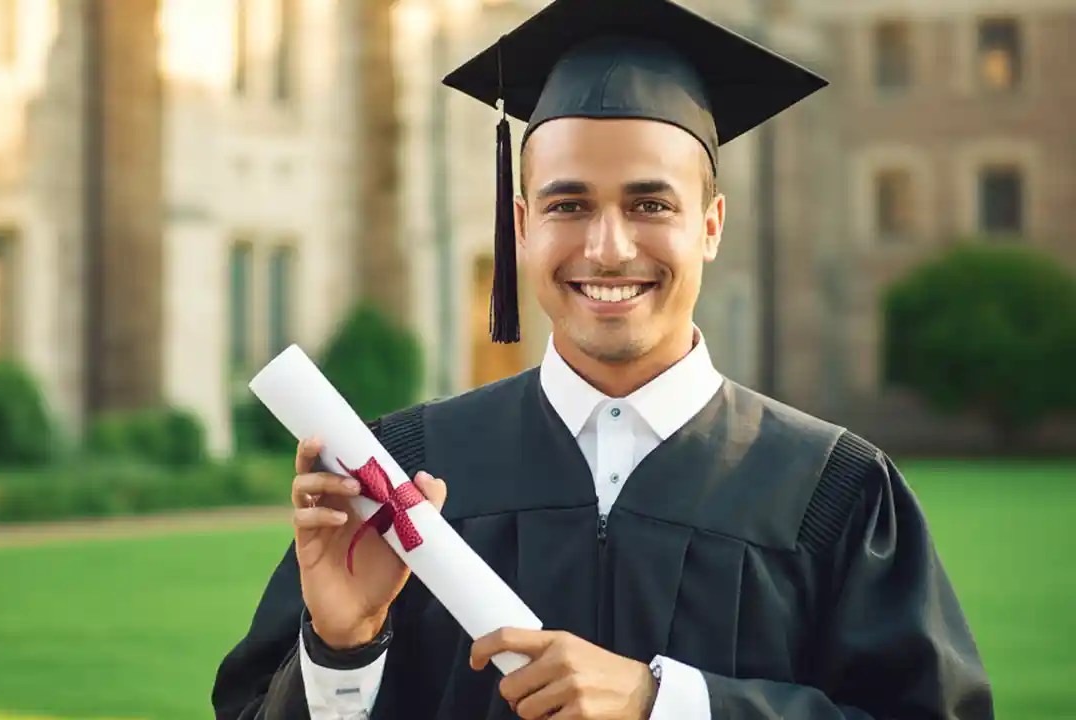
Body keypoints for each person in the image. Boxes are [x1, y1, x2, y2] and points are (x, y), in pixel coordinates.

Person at [212, 0, 994, 717]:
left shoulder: (833, 490)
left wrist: (668, 703)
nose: (608, 247)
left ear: (712, 224)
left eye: (651, 204)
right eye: (569, 204)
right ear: (521, 225)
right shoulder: (401, 483)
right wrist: (343, 651)